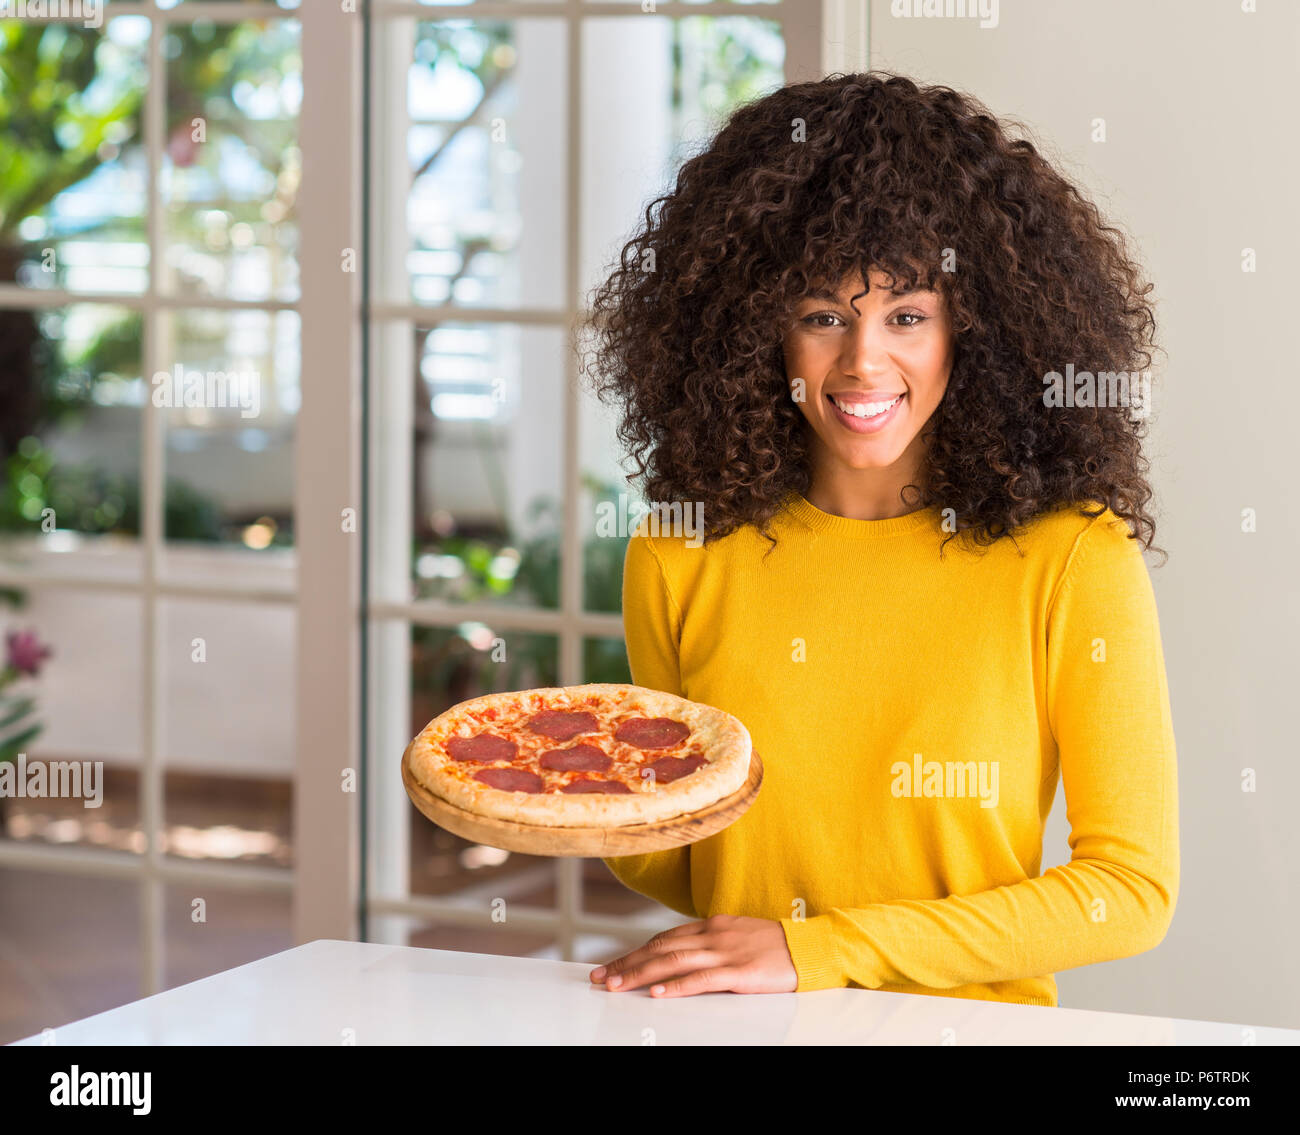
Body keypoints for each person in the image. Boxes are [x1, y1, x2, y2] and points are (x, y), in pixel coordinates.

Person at [576, 72, 1177, 1005]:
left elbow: (1130, 892)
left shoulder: (1070, 560)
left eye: (907, 316)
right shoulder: (679, 552)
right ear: (754, 330)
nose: (863, 363)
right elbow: (688, 864)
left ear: (974, 331)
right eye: (822, 317)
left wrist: (816, 949)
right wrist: (586, 805)